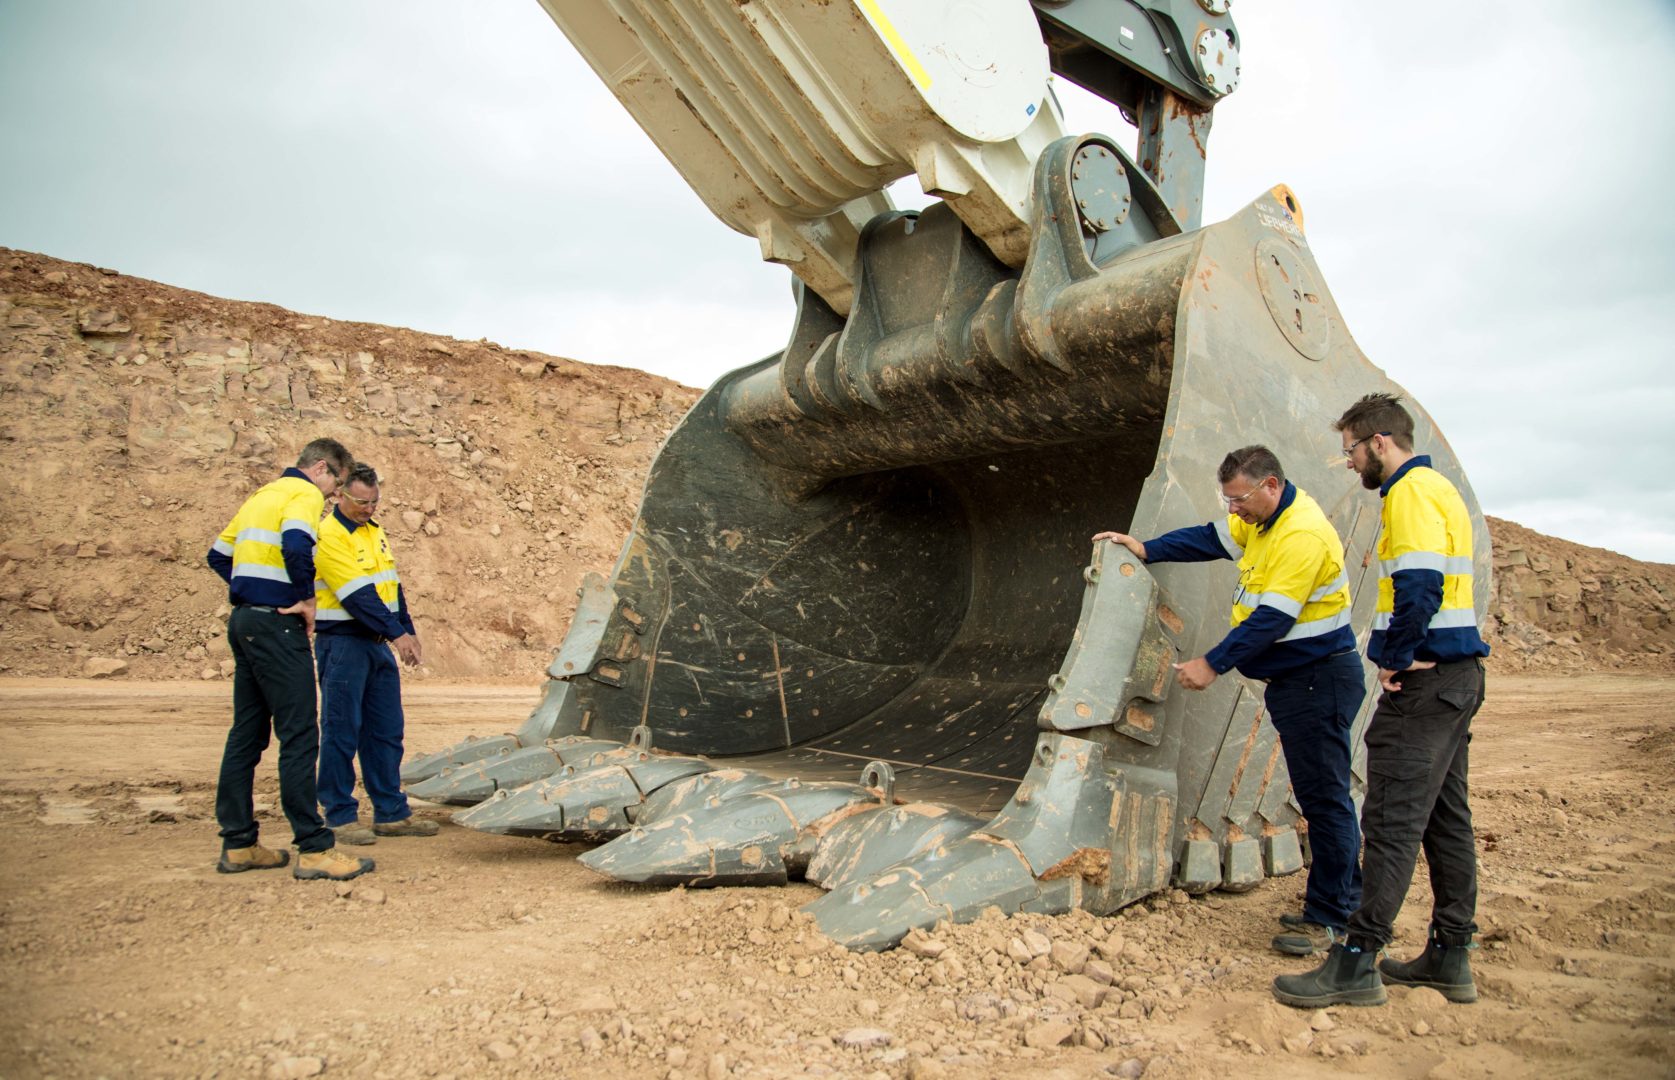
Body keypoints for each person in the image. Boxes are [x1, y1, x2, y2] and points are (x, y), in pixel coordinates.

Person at [1096, 445, 1365, 957]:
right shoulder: (1261, 521)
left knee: (1326, 799)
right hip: (1298, 681)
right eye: (1228, 500)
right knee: (1320, 795)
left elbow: (1272, 620)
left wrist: (1212, 663)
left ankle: (1336, 917)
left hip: (1319, 681)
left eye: (1239, 498)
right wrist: (1148, 548)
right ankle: (1338, 902)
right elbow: (1209, 539)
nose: (1233, 509)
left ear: (1271, 485)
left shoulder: (1301, 535)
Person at [1273, 393, 1490, 1008]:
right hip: (1458, 679)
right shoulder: (1440, 489)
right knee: (1446, 819)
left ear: (1380, 442)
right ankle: (1451, 954)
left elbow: (1418, 583)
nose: (1349, 464)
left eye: (1351, 450)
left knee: (1391, 819)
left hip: (1428, 684)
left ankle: (1356, 961)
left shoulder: (1410, 493)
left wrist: (1398, 657)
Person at [207, 438, 375, 882]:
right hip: (278, 630)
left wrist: (254, 591)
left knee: (246, 734)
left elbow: (218, 556)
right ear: (321, 469)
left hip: (245, 622)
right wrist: (302, 599)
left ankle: (239, 843)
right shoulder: (300, 493)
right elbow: (299, 546)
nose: (330, 497)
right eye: (334, 485)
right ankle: (315, 849)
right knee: (299, 735)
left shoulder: (261, 496)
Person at [312, 463, 438, 845]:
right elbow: (357, 596)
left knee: (385, 731)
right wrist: (397, 634)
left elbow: (390, 586)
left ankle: (391, 812)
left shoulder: (374, 531)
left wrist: (408, 630)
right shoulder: (328, 535)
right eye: (361, 502)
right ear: (339, 495)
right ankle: (339, 814)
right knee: (341, 730)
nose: (369, 509)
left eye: (374, 502)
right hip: (344, 644)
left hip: (376, 643)